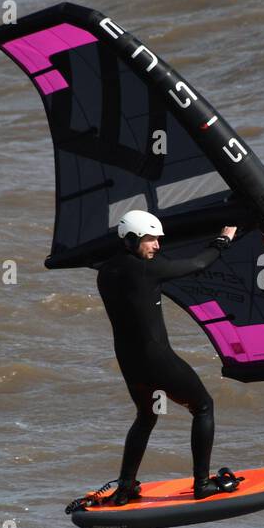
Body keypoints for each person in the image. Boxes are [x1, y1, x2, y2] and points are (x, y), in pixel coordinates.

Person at [93, 209, 240, 505]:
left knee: (146, 417)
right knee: (203, 406)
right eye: (151, 240)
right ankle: (202, 484)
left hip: (129, 363)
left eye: (158, 240)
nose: (158, 246)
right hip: (156, 359)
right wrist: (223, 240)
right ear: (132, 239)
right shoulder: (148, 269)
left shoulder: (105, 272)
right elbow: (198, 263)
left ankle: (125, 488)